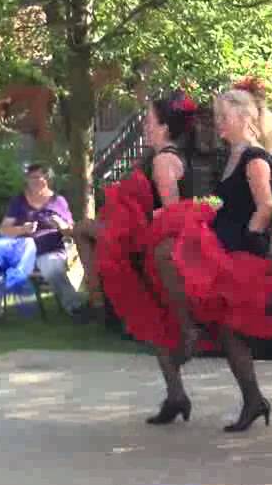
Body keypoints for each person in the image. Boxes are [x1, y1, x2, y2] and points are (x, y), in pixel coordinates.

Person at [154, 79, 272, 430]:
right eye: (217, 117)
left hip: (240, 253)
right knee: (230, 332)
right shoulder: (231, 156)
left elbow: (265, 207)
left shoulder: (254, 157)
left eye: (223, 116)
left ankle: (250, 398)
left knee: (230, 328)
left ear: (244, 117)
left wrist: (242, 243)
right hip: (225, 247)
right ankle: (254, 400)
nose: (218, 123)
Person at [93, 90, 228, 425]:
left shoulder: (162, 160)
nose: (144, 124)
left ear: (165, 126)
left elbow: (171, 214)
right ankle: (175, 395)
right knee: (157, 325)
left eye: (149, 119)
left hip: (162, 250)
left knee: (163, 323)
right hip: (161, 247)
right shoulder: (168, 155)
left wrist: (138, 223)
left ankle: (182, 378)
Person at [0, 165, 84, 317]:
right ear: (26, 180)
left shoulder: (58, 201)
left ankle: (75, 307)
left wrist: (61, 225)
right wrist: (22, 229)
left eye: (40, 177)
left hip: (51, 249)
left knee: (51, 265)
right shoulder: (18, 201)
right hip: (23, 252)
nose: (36, 181)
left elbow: (70, 231)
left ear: (48, 179)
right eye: (32, 177)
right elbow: (4, 230)